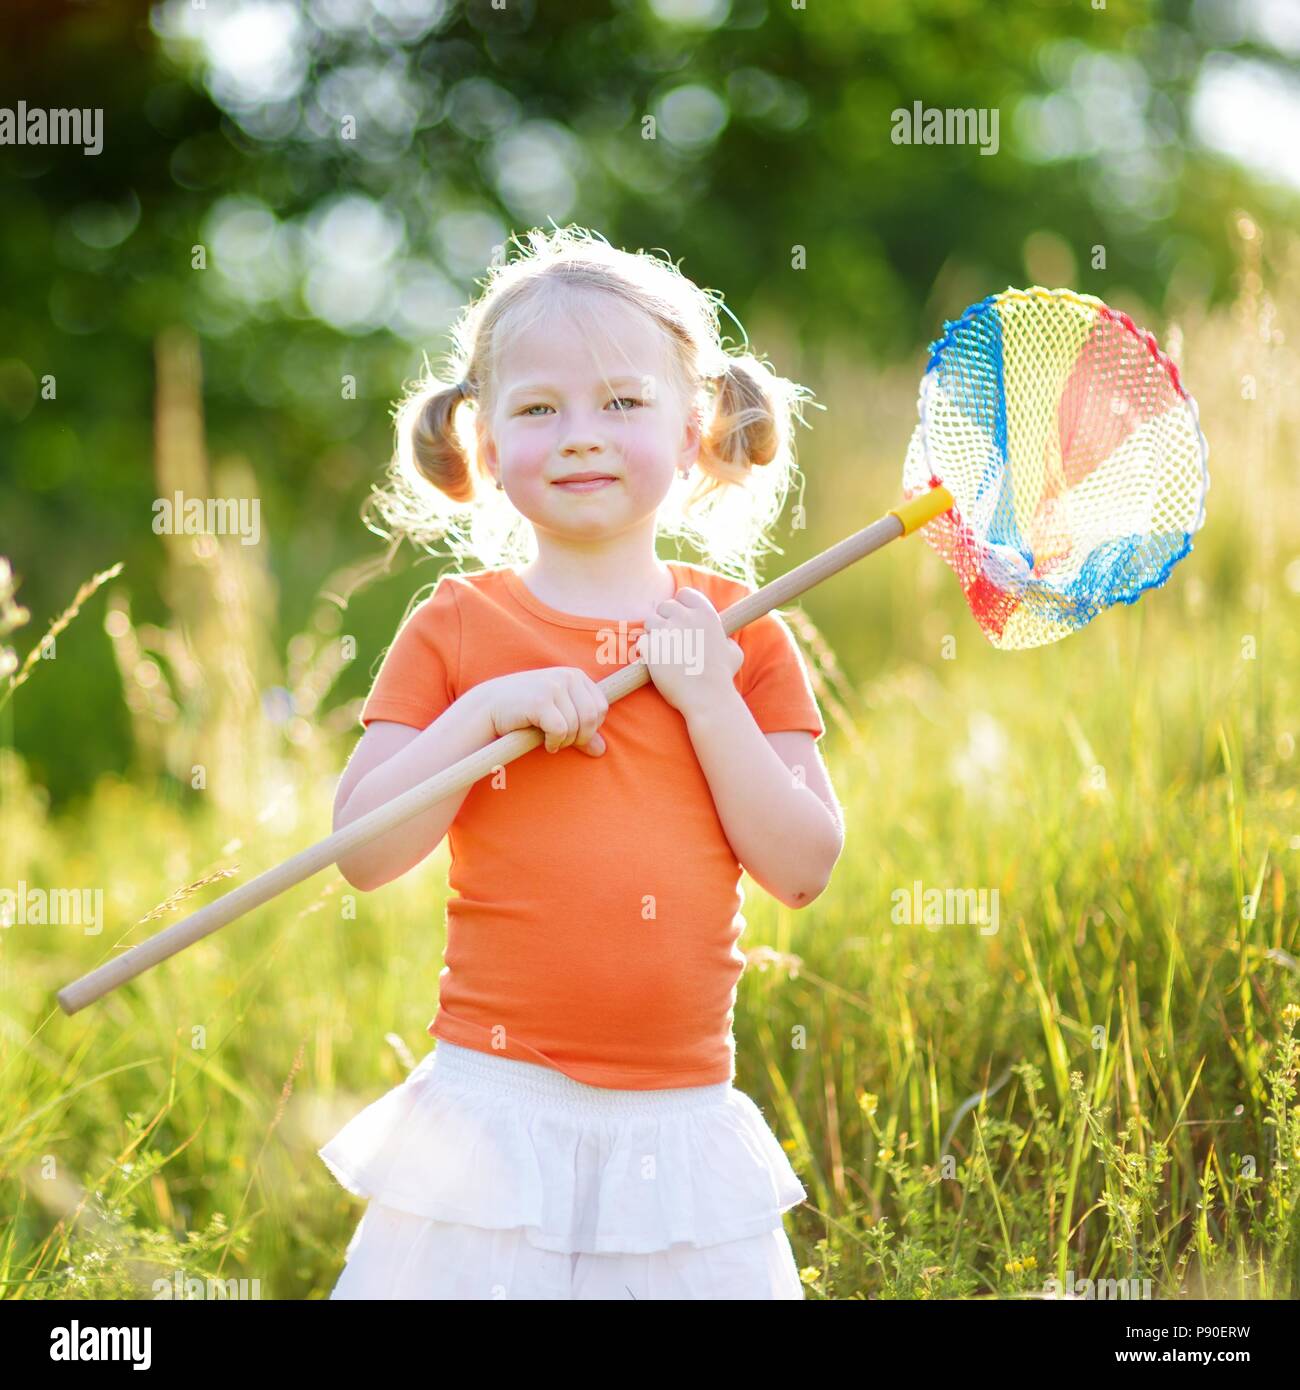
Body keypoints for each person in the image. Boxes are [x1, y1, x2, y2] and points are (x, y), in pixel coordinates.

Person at [318, 225, 844, 1299]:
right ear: (482, 441)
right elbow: (363, 856)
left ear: (694, 428)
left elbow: (801, 866)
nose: (579, 437)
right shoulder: (456, 629)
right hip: (491, 1107)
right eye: (537, 408)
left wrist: (706, 698)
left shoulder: (742, 632)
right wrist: (478, 716)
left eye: (621, 402)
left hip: (678, 1119)